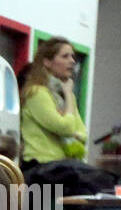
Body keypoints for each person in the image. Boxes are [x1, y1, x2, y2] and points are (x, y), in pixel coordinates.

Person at [19, 37, 88, 165]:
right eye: (65, 56)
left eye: (72, 57)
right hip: (42, 165)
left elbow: (83, 134)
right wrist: (68, 94)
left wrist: (68, 96)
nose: (72, 61)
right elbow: (66, 127)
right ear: (47, 62)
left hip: (64, 164)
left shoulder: (68, 95)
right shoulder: (36, 92)